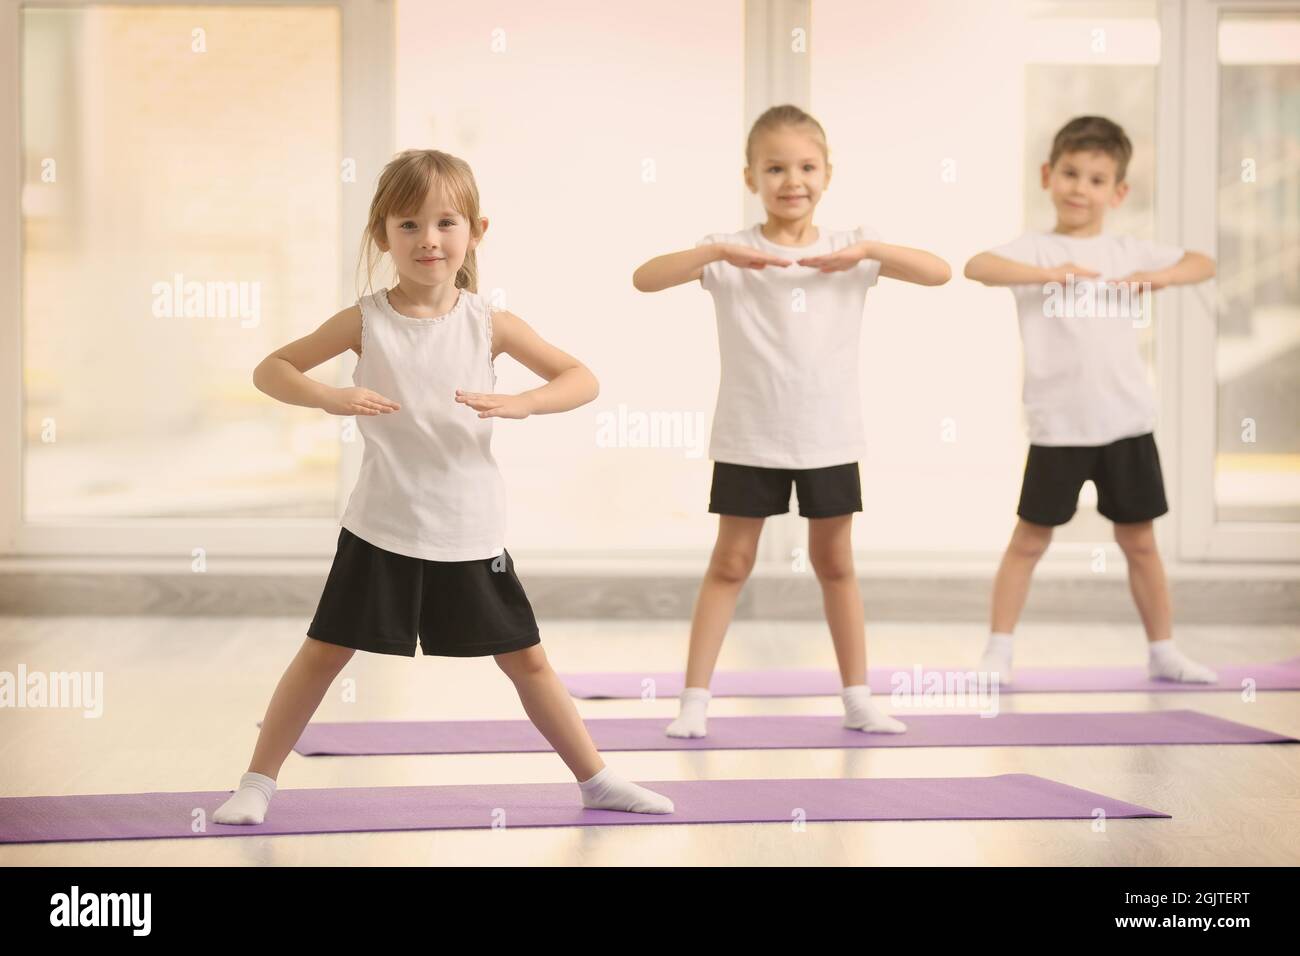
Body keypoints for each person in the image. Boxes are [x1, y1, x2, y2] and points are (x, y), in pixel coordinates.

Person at [214, 149, 673, 824]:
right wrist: (328, 397)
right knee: (322, 654)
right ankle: (256, 783)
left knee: (528, 662)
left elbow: (581, 377)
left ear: (474, 232)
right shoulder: (365, 321)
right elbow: (272, 368)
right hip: (383, 525)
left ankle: (597, 779)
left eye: (445, 223)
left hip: (469, 528)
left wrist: (524, 402)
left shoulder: (491, 324)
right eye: (408, 225)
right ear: (383, 236)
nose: (428, 239)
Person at [632, 105, 951, 738]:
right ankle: (693, 700)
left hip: (829, 435)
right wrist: (716, 249)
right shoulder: (729, 254)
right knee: (730, 564)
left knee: (835, 564)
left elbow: (939, 272)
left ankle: (858, 699)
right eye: (774, 167)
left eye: (806, 167)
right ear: (750, 176)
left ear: (828, 174)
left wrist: (869, 249)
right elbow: (644, 280)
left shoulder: (850, 250)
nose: (791, 180)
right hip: (750, 435)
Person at [965, 116, 1218, 685]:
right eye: (1071, 174)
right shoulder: (1033, 248)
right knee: (1029, 541)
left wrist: (1163, 278)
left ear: (1118, 192)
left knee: (1141, 544)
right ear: (1047, 176)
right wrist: (1046, 272)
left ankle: (1163, 652)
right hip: (1058, 429)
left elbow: (1204, 262)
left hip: (1126, 424)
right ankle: (998, 654)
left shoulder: (1129, 250)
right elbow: (977, 267)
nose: (1081, 188)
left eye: (1096, 179)